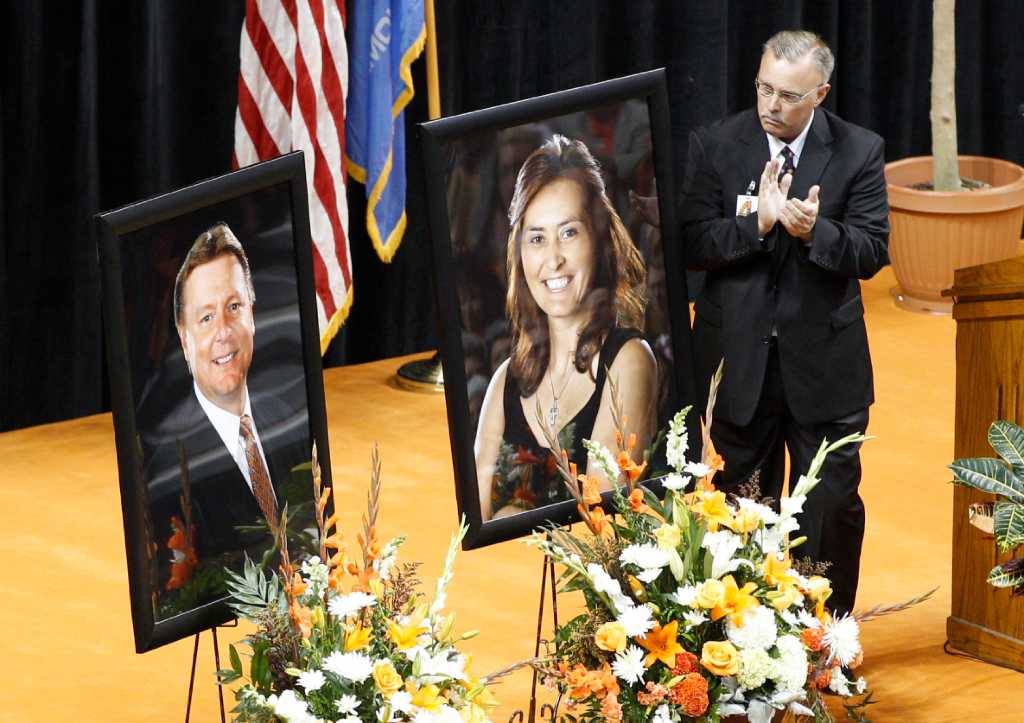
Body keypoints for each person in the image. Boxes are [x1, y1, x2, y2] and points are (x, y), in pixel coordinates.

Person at [680, 30, 890, 616]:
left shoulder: (859, 150)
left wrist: (813, 231)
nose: (771, 106)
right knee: (740, 512)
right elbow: (692, 243)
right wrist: (758, 226)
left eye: (788, 96)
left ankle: (824, 641)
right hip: (738, 365)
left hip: (825, 368)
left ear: (819, 94)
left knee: (828, 510)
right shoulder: (716, 144)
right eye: (763, 89)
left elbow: (872, 250)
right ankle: (744, 656)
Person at [475, 135, 658, 521]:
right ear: (520, 252)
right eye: (537, 238)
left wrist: (507, 514)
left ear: (600, 238)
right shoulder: (504, 382)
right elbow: (470, 532)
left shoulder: (629, 362)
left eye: (569, 232)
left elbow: (599, 529)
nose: (553, 259)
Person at [146, 222, 309, 599]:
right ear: (185, 341)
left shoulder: (291, 418)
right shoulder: (170, 472)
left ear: (252, 314)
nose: (223, 331)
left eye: (233, 307)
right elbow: (179, 596)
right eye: (205, 318)